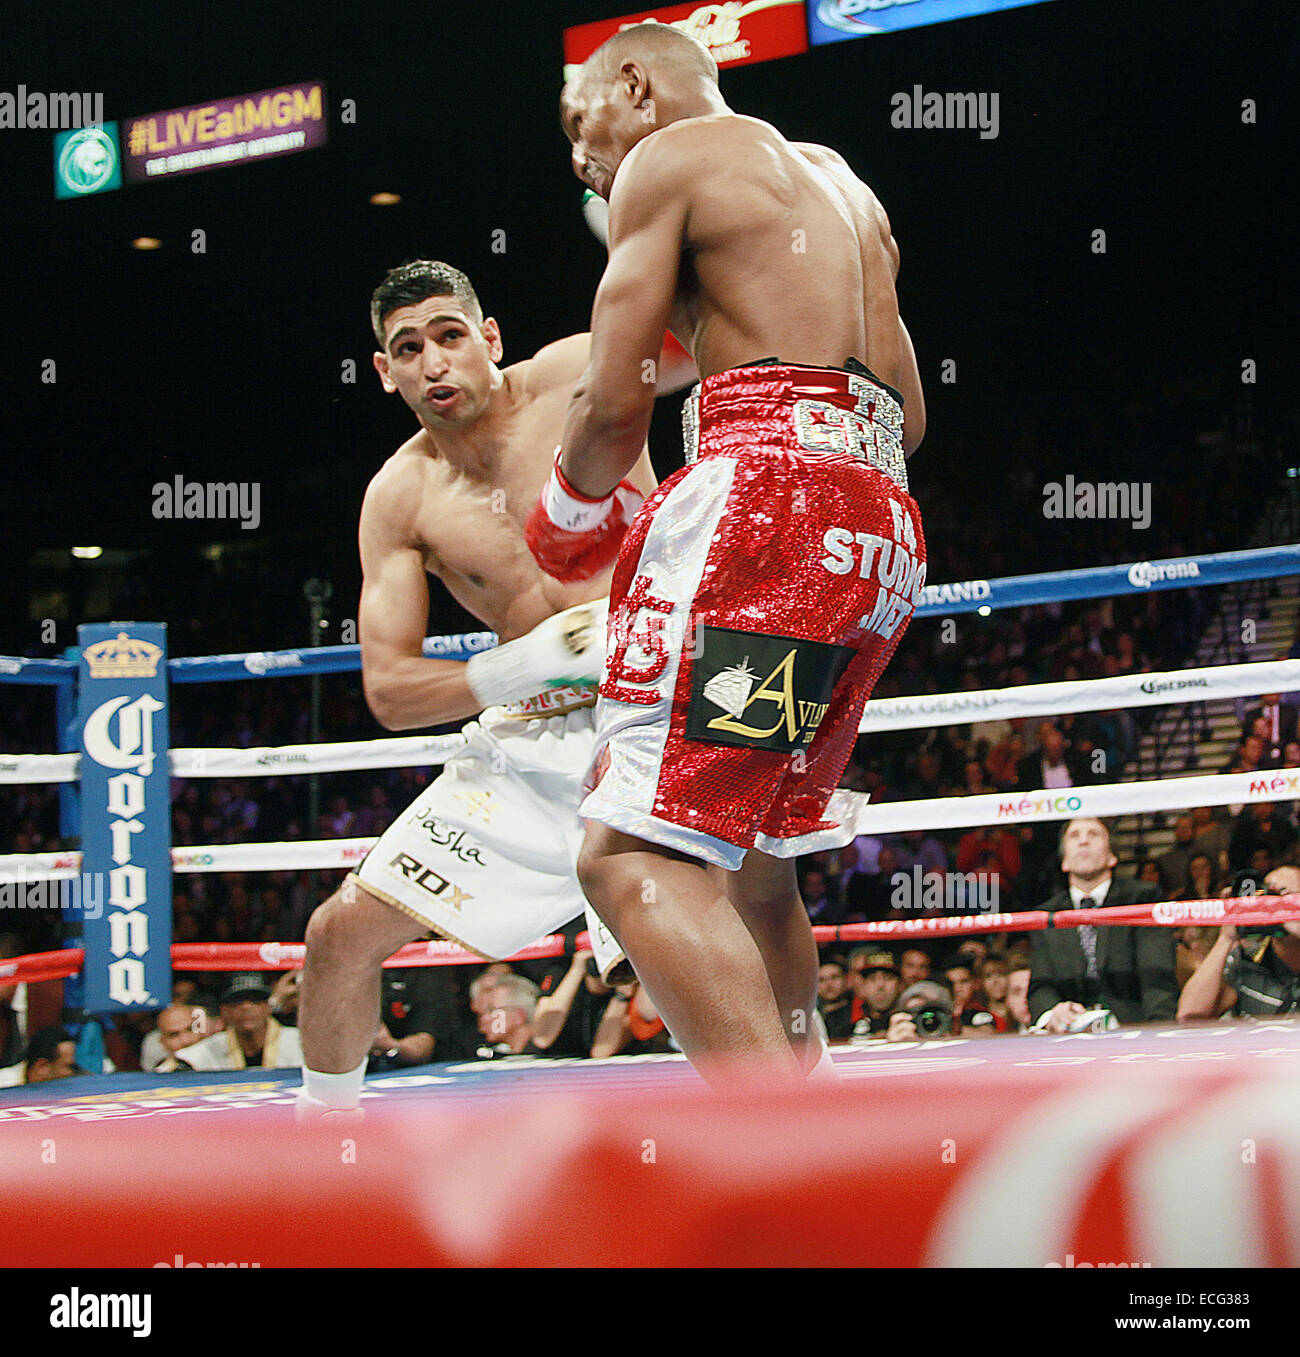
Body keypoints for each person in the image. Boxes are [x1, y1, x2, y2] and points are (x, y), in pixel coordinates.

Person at [529, 23, 926, 1086]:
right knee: (751, 865)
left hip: (767, 497)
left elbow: (612, 410)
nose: (580, 156)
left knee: (628, 862)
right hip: (876, 523)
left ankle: (782, 1170)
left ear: (634, 82)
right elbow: (908, 412)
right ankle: (809, 1116)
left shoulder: (669, 156)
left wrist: (566, 510)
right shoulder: (844, 187)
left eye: (582, 123)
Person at [295, 259, 693, 1117]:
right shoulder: (399, 498)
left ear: (490, 338)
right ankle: (322, 1149)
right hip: (531, 732)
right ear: (384, 371)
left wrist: (687, 224)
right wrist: (530, 660)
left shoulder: (573, 374)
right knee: (336, 935)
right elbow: (391, 690)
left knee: (686, 957)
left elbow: (717, 332)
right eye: (409, 348)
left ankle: (784, 1138)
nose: (434, 362)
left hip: (658, 706)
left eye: (449, 335)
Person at [1027, 817, 1178, 1032]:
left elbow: (1157, 980)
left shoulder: (1141, 898)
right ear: (1064, 862)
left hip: (1131, 1031)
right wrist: (1053, 1012)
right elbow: (1040, 987)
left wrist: (1160, 1035)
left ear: (1112, 857)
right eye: (1075, 835)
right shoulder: (1047, 914)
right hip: (1069, 1036)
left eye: (1093, 834)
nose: (1084, 841)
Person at [1176, 864, 1300, 1020]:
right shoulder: (1247, 959)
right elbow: (1189, 1015)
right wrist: (1226, 937)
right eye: (1269, 895)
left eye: (1285, 895)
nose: (1275, 905)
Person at [175, 974, 303, 1071]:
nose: (246, 1007)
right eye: (237, 1001)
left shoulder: (301, 1043)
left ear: (268, 1007)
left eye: (255, 1000)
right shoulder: (208, 1050)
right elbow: (172, 1067)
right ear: (224, 1011)